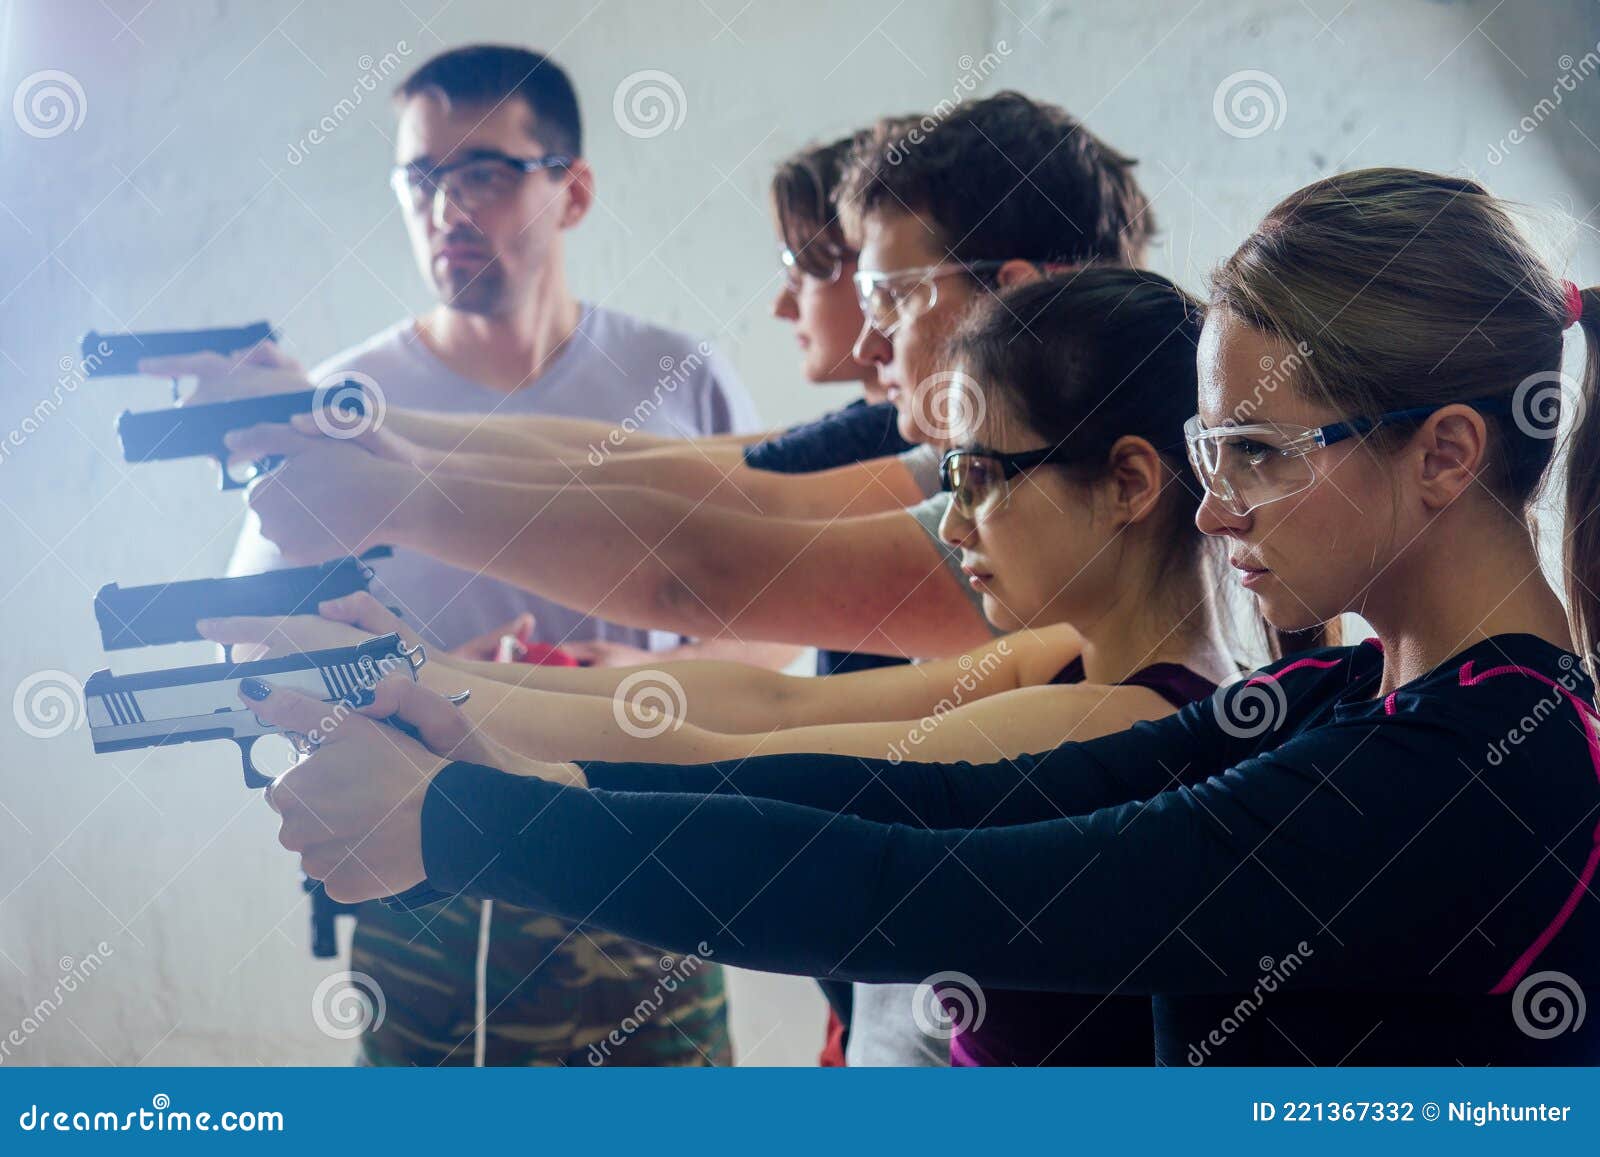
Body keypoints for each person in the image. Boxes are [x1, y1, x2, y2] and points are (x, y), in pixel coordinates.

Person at [262, 168, 1600, 1065]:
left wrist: (463, 821)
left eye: (1260, 453)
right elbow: (917, 807)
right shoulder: (1336, 700)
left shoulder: (1486, 769)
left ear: (1445, 453)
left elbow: (940, 892)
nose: (1216, 507)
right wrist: (488, 758)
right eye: (1215, 454)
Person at [206, 268, 1236, 1063]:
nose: (953, 521)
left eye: (980, 477)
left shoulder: (1121, 724)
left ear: (1129, 483)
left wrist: (446, 717)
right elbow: (761, 703)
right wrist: (422, 671)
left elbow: (740, 761)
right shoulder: (1062, 658)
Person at [218, 92, 1157, 661]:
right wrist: (355, 426)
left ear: (1014, 294)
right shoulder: (979, 465)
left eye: (892, 298)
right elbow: (678, 477)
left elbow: (702, 571)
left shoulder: (1052, 500)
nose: (872, 344)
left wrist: (404, 500)